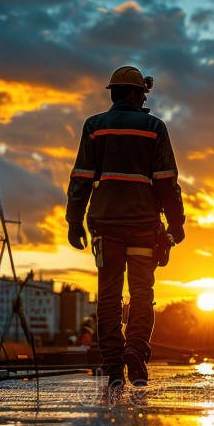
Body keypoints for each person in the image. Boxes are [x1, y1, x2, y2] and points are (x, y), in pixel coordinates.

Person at [66, 66, 186, 387]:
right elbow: (166, 181)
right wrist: (177, 222)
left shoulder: (94, 127)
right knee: (142, 292)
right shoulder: (153, 127)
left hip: (105, 226)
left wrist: (74, 220)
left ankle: (113, 365)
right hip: (143, 226)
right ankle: (135, 351)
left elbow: (80, 178)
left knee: (108, 295)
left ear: (113, 93)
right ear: (135, 93)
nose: (145, 98)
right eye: (143, 93)